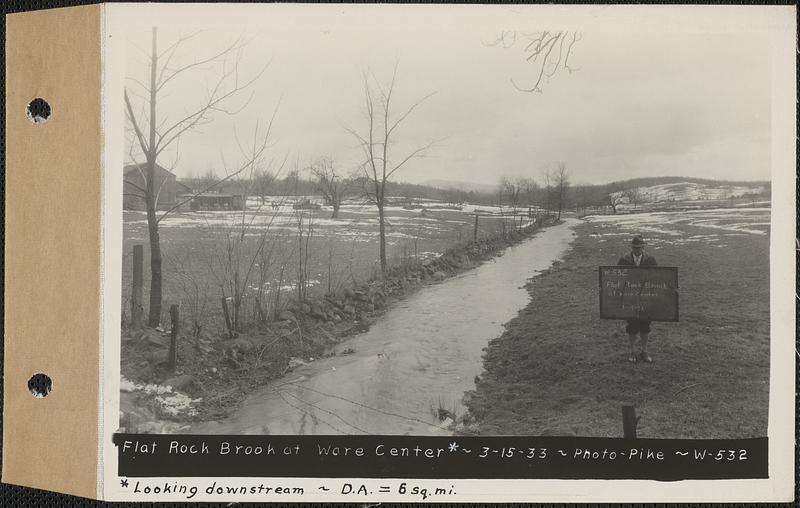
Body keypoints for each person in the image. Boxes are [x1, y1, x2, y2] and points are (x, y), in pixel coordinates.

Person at [618, 235, 657, 363]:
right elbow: (617, 278)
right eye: (634, 248)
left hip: (646, 298)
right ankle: (632, 351)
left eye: (639, 247)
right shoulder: (624, 260)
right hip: (630, 298)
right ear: (631, 248)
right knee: (632, 326)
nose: (637, 250)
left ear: (643, 247)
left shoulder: (650, 260)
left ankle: (644, 351)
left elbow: (657, 278)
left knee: (645, 325)